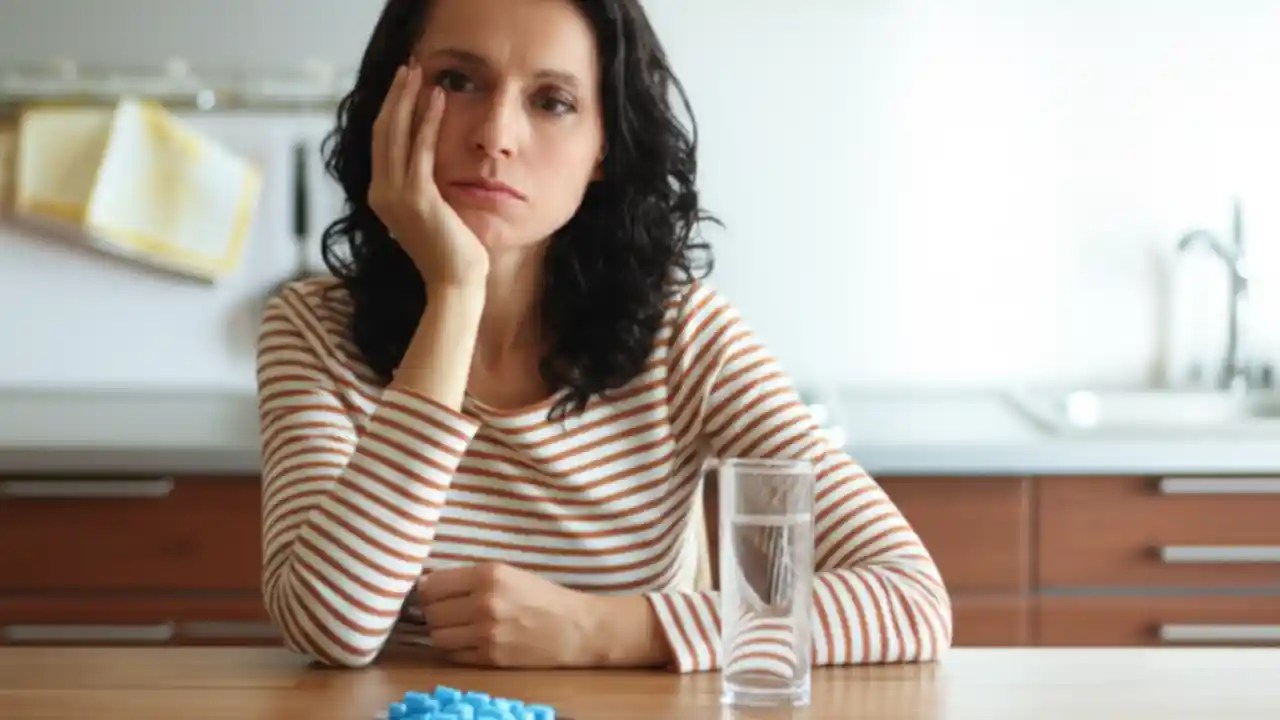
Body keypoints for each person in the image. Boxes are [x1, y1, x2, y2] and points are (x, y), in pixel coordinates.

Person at [255, 0, 952, 673]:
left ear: (603, 149)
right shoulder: (311, 331)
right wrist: (456, 290)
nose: (496, 133)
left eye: (552, 101)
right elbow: (331, 626)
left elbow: (910, 600)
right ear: (393, 107)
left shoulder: (686, 339)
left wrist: (596, 629)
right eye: (458, 81)